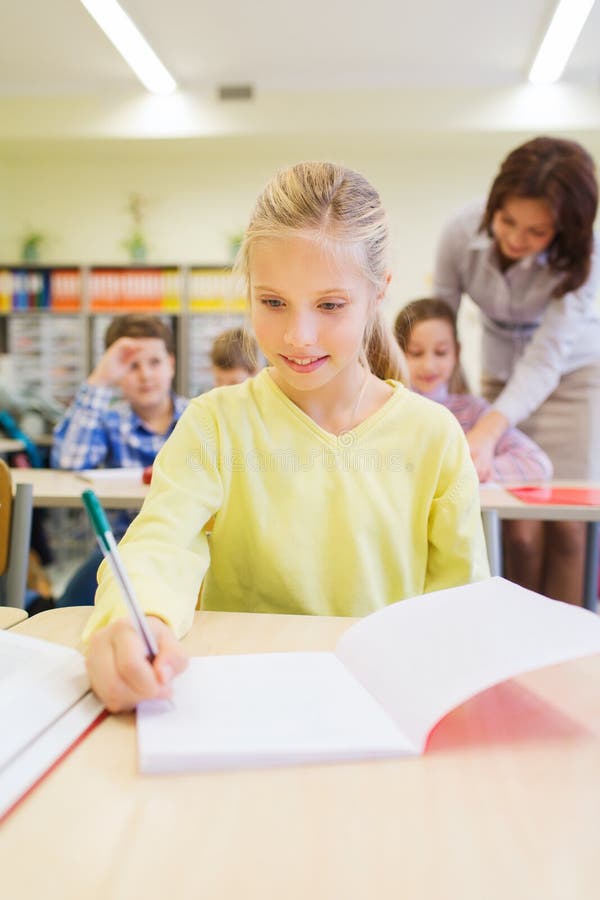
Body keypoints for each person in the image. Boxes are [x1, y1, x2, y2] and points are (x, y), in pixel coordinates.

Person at [83, 161, 490, 712]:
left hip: (383, 705)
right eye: (272, 302)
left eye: (330, 305)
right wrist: (136, 622)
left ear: (378, 294)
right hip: (242, 702)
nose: (298, 336)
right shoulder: (215, 423)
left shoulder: (432, 436)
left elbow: (461, 608)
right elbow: (161, 545)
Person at [433, 136, 600, 605]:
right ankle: (514, 628)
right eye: (507, 220)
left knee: (567, 526)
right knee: (515, 526)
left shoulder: (586, 258)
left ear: (565, 230)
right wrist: (441, 402)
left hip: (572, 378)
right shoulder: (459, 231)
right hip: (498, 373)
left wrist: (487, 430)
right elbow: (439, 322)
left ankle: (568, 640)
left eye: (536, 232)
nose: (515, 239)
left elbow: (546, 358)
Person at [51, 314, 188, 606]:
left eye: (155, 362)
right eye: (132, 366)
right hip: (120, 549)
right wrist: (100, 381)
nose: (145, 375)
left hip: (189, 546)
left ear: (171, 364)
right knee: (74, 601)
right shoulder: (108, 421)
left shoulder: (198, 416)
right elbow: (69, 460)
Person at [394, 298, 553, 482]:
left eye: (441, 352)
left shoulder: (473, 411)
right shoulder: (389, 407)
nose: (428, 365)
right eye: (416, 353)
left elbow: (538, 464)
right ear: (397, 352)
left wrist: (466, 472)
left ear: (456, 352)